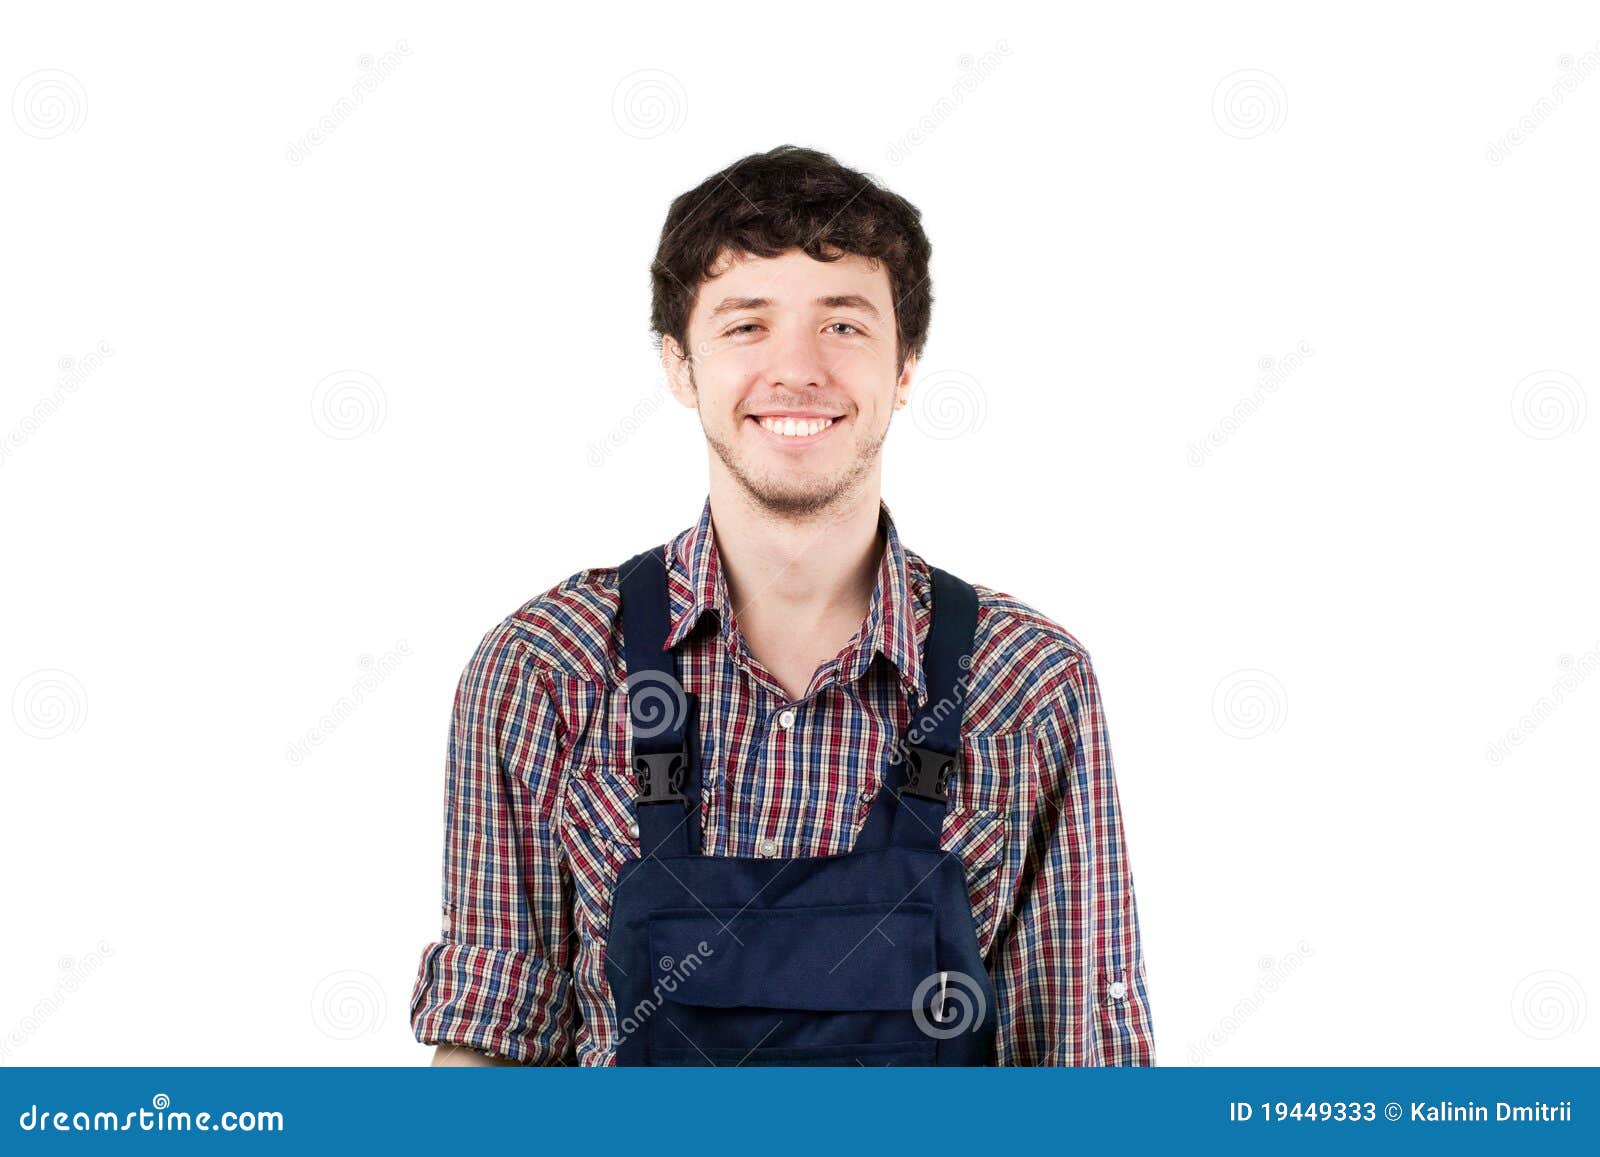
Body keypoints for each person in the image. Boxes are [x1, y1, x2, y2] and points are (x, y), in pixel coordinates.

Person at [410, 145, 1154, 1066]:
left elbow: (1086, 1078)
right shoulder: (546, 668)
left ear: (908, 364)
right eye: (746, 325)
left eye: (843, 325)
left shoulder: (1030, 683)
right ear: (681, 367)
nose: (796, 369)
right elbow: (489, 1062)